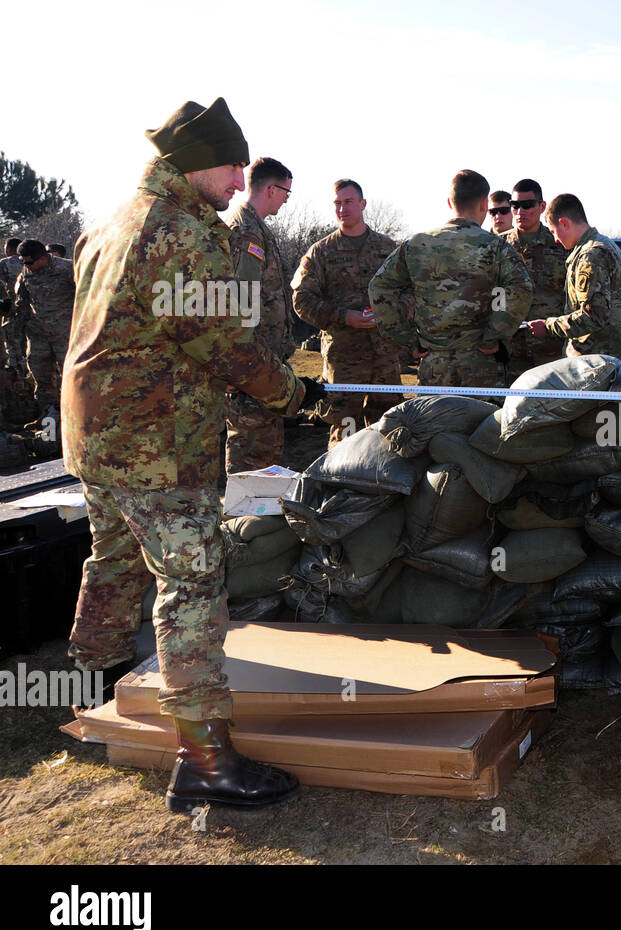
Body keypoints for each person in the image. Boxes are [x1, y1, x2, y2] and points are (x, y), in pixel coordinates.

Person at [63, 98, 322, 812]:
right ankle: (205, 758)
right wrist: (290, 393)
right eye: (234, 166)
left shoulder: (114, 220)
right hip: (155, 445)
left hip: (97, 439)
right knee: (195, 583)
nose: (241, 182)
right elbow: (226, 345)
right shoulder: (180, 231)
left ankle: (94, 688)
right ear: (197, 161)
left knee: (112, 557)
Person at [369, 169, 531, 389]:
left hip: (433, 364)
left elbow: (380, 287)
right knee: (481, 422)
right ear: (484, 204)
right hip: (481, 364)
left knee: (436, 421)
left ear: (449, 202)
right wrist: (494, 335)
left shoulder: (416, 244)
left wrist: (406, 339)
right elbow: (521, 289)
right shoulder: (496, 246)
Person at [291, 179, 402, 446]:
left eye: (348, 202)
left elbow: (408, 293)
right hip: (343, 361)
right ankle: (341, 485)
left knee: (388, 433)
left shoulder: (388, 249)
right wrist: (343, 316)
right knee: (344, 436)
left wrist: (387, 315)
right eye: (337, 203)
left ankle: (383, 486)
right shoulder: (321, 252)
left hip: (384, 357)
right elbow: (301, 299)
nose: (342, 209)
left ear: (362, 204)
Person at [224, 156, 297, 472]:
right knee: (251, 460)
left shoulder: (258, 229)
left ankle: (258, 518)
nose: (285, 199)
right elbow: (241, 302)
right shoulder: (246, 231)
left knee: (265, 460)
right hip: (252, 366)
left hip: (265, 365)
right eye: (286, 192)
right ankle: (246, 521)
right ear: (271, 188)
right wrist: (250, 366)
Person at [526, 193, 621, 359]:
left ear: (564, 223)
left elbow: (592, 316)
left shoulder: (590, 256)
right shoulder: (603, 244)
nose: (555, 239)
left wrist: (548, 326)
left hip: (597, 359)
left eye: (554, 232)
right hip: (607, 355)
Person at [504, 178, 566, 375]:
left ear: (542, 207)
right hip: (509, 349)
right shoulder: (498, 247)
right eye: (515, 206)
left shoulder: (560, 245)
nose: (520, 212)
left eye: (527, 205)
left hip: (550, 347)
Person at [12, 238, 75, 424]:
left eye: (29, 262)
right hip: (39, 336)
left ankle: (74, 418)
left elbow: (87, 297)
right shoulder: (25, 273)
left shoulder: (67, 269)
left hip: (67, 334)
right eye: (23, 262)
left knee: (71, 376)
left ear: (42, 257)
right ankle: (49, 420)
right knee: (42, 379)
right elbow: (21, 303)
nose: (26, 265)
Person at [1, 237, 27, 373]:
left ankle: (16, 370)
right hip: (32, 309)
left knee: (12, 342)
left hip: (11, 308)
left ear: (10, 249)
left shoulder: (5, 263)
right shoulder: (29, 261)